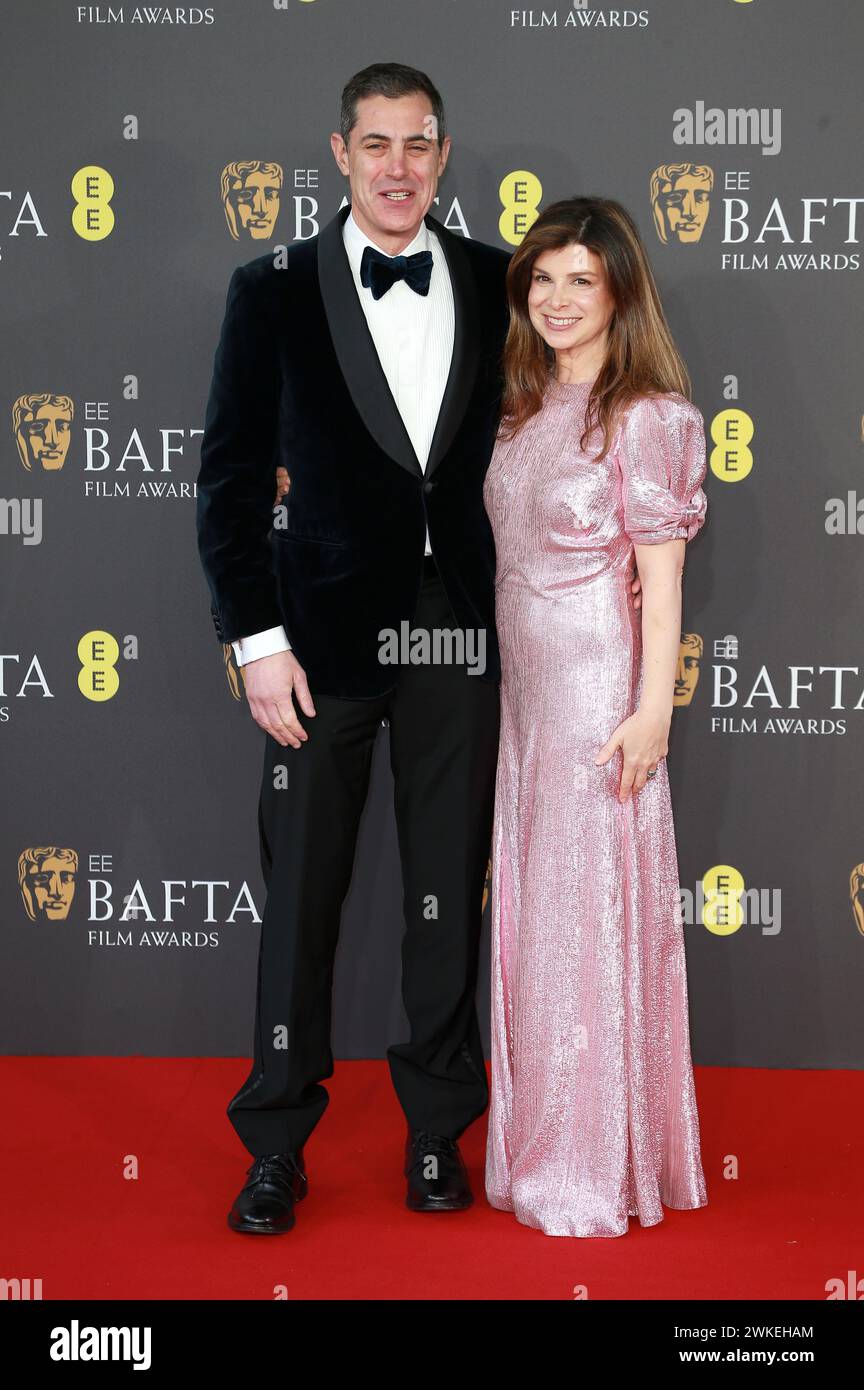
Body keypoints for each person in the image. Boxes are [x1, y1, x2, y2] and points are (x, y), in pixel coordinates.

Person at [196, 65, 648, 1234]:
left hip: (462, 639)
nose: (398, 167)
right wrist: (254, 641)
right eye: (376, 144)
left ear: (445, 157)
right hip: (320, 650)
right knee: (301, 900)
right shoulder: (272, 288)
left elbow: (583, 415)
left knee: (447, 893)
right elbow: (231, 485)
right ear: (339, 153)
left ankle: (439, 1132)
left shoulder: (502, 281)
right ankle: (276, 1142)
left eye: (419, 145)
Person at [482, 197, 709, 1237]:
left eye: (582, 278)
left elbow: (661, 586)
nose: (559, 299)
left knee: (588, 921)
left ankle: (590, 1165)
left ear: (620, 289)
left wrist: (649, 711)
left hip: (595, 700)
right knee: (540, 919)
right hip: (527, 706)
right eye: (543, 279)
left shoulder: (651, 415)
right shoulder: (523, 406)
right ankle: (540, 1139)